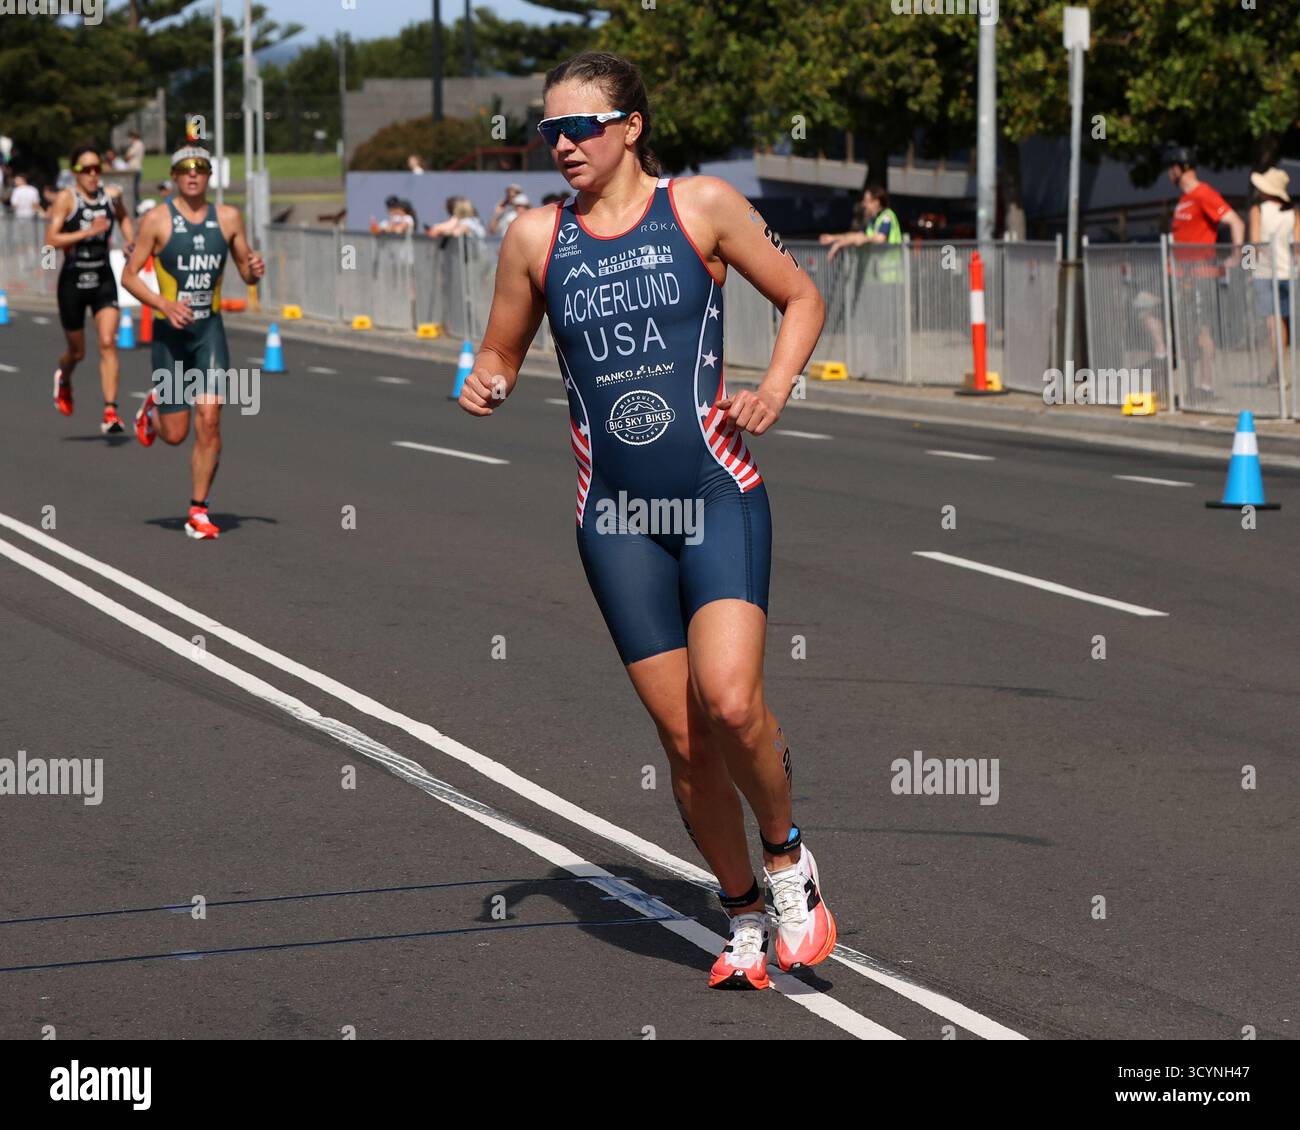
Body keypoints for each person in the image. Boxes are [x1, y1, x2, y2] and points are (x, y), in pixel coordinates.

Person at [458, 50, 831, 990]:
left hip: (714, 493)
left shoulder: (699, 207)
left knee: (733, 700)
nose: (562, 143)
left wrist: (776, 387)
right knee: (684, 738)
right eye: (549, 130)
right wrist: (489, 381)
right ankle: (741, 911)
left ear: (631, 128)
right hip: (614, 516)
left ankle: (788, 862)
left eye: (580, 126)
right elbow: (503, 349)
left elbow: (801, 295)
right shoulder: (535, 239)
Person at [121, 144, 265, 540]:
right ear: (174, 176)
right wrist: (164, 304)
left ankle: (198, 510)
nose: (193, 174)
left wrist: (255, 271)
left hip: (209, 333)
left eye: (200, 167)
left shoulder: (230, 218)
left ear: (209, 175)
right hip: (171, 336)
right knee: (174, 435)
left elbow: (246, 271)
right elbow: (129, 276)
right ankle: (151, 411)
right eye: (185, 169)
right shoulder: (156, 220)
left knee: (211, 418)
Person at [45, 146, 135, 432]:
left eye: (97, 168)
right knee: (78, 352)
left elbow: (123, 217)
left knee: (108, 342)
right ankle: (65, 378)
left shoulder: (111, 197)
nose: (93, 174)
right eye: (86, 169)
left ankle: (110, 412)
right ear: (76, 173)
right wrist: (87, 232)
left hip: (103, 278)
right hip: (72, 281)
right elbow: (51, 239)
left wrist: (130, 241)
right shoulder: (66, 199)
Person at [1167, 147, 1245, 397]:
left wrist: (1237, 257)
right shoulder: (1183, 200)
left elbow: (1236, 221)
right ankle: (1186, 379)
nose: (1168, 174)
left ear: (1179, 168)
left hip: (1200, 274)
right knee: (1183, 328)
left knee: (1203, 331)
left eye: (1170, 168)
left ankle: (1206, 385)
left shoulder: (1203, 194)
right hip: (1181, 275)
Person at [1247, 167, 1298, 359]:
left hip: (1264, 273)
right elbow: (1297, 247)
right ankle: (1282, 364)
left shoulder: (1257, 210)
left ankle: (1278, 368)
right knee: (1283, 321)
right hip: (1288, 273)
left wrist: (1249, 270)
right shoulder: (1293, 213)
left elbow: (1253, 244)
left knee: (1272, 322)